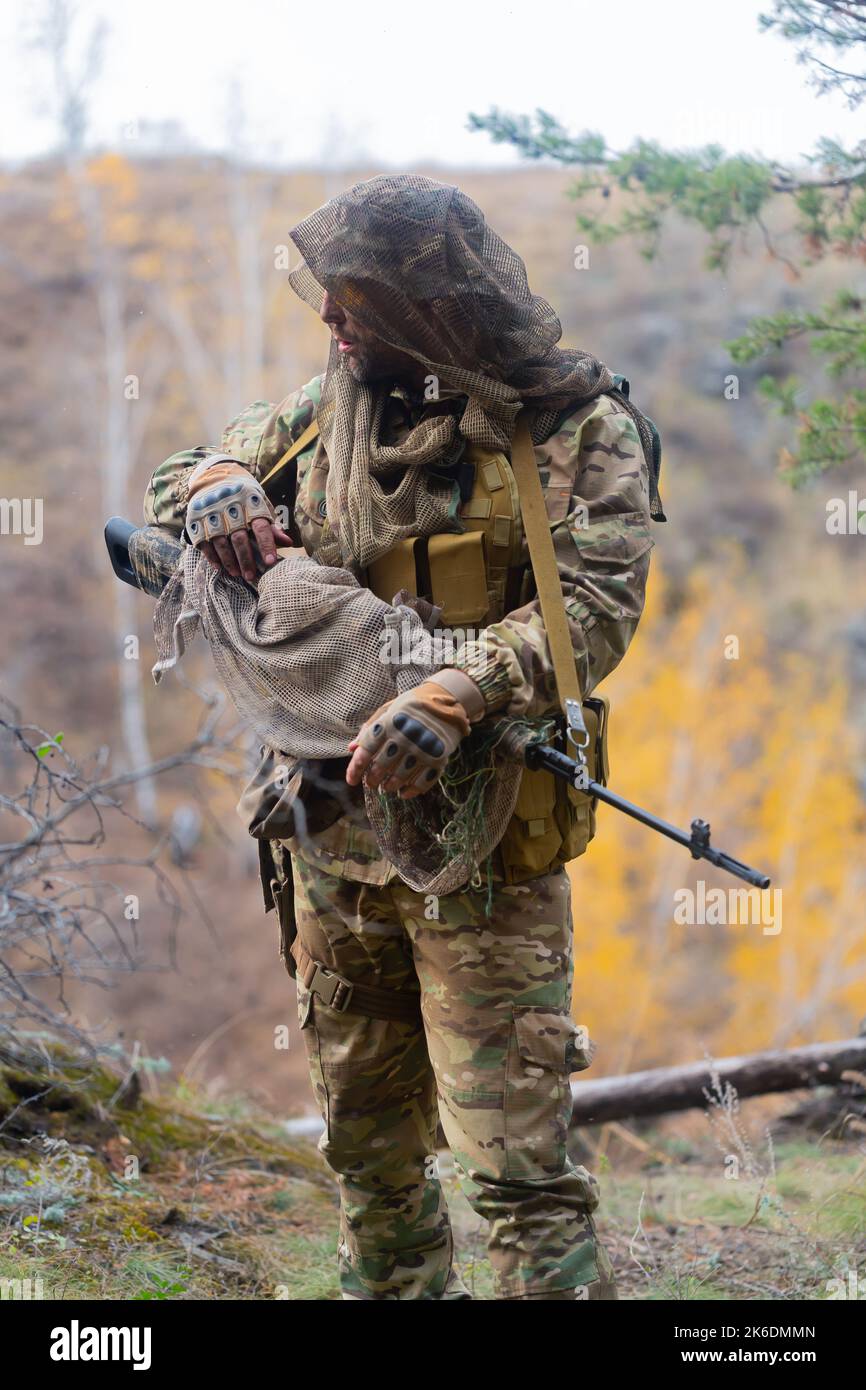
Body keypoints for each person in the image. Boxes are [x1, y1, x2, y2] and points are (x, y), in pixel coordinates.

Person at [144, 174, 662, 1300]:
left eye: (355, 306)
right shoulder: (327, 409)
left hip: (482, 851)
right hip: (330, 844)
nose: (331, 325)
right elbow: (176, 483)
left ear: (428, 307)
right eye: (327, 302)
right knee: (370, 1160)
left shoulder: (576, 429)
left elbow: (592, 610)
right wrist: (222, 483)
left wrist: (454, 695)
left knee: (518, 1173)